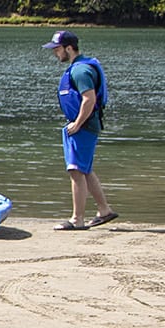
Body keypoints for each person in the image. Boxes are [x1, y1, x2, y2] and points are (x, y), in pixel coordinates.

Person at [45, 31, 117, 230]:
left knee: (75, 170)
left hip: (83, 126)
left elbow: (89, 99)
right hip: (86, 124)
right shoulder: (80, 67)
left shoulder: (80, 71)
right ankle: (104, 210)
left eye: (57, 49)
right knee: (85, 170)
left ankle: (77, 219)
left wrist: (77, 124)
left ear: (69, 48)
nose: (55, 53)